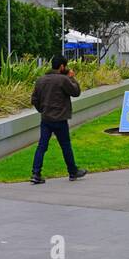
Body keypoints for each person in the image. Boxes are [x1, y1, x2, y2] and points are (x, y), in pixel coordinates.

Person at [30, 55, 89, 184]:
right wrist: (72, 77)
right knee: (65, 146)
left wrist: (42, 109)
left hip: (46, 119)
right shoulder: (63, 80)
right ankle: (72, 172)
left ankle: (36, 173)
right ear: (62, 66)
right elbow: (76, 92)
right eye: (65, 66)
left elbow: (34, 100)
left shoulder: (41, 80)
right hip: (60, 119)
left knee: (42, 146)